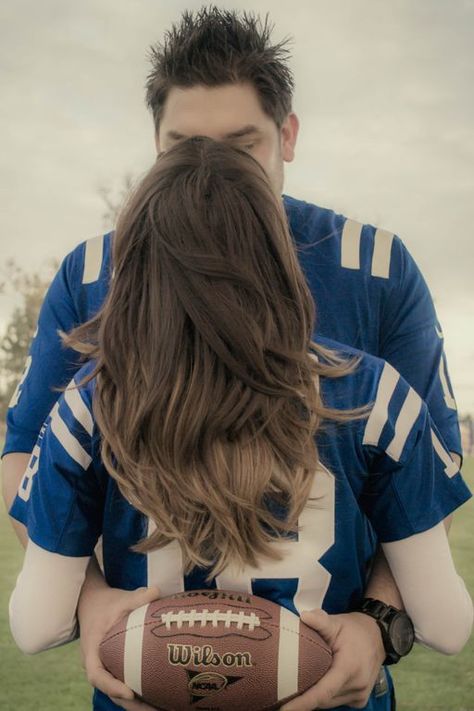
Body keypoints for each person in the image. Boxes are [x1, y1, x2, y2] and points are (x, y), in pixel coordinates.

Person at [1, 6, 465, 710]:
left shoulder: (375, 267)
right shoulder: (93, 270)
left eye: (239, 145)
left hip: (330, 672)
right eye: (183, 145)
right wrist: (91, 601)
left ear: (289, 136)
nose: (208, 174)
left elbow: (433, 473)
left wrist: (376, 623)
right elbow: (19, 461)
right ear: (155, 146)